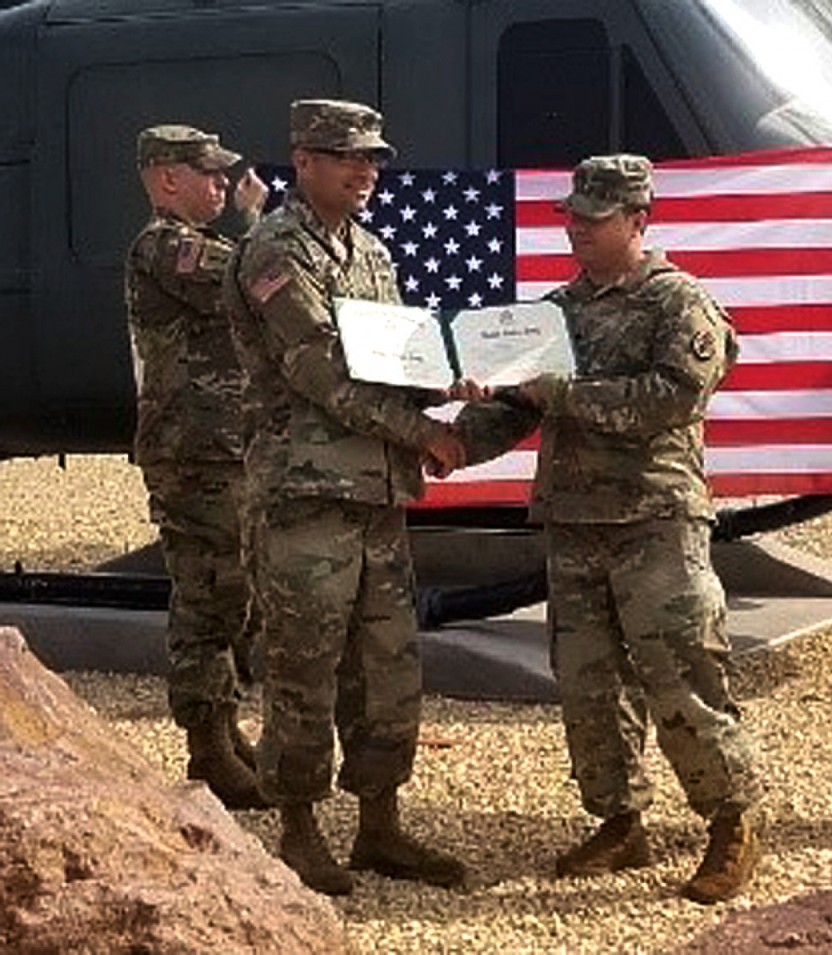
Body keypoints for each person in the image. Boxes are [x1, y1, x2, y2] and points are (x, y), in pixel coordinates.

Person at [452, 154, 761, 904]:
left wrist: (557, 391)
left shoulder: (677, 302)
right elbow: (521, 407)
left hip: (655, 518)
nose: (577, 229)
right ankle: (619, 820)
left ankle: (732, 819)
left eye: (594, 218)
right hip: (575, 520)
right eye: (572, 216)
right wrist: (456, 431)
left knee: (682, 670)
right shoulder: (554, 311)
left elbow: (668, 400)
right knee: (589, 681)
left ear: (637, 221)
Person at [224, 99, 467, 897]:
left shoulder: (370, 250)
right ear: (303, 161)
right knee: (306, 665)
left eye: (373, 159)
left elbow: (393, 353)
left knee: (388, 663)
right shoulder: (272, 251)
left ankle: (379, 825)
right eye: (347, 157)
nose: (366, 171)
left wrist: (447, 384)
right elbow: (319, 371)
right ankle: (297, 828)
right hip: (305, 494)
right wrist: (421, 432)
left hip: (375, 494)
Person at [125, 124, 269, 811]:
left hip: (224, 447)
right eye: (206, 174)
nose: (220, 184)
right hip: (191, 451)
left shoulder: (204, 243)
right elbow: (248, 284)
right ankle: (207, 745)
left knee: (233, 590)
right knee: (208, 595)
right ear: (165, 177)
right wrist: (260, 221)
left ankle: (226, 726)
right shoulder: (163, 245)